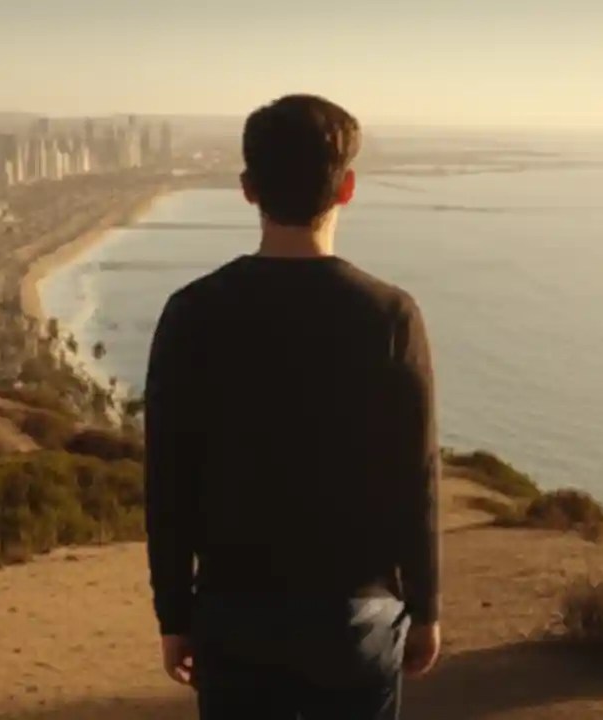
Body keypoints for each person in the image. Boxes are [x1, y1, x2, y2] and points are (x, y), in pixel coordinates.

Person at [144, 94, 441, 719]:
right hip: (358, 619)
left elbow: (168, 480)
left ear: (248, 188)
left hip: (233, 617)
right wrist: (427, 607)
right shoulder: (390, 315)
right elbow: (417, 478)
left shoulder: (192, 311)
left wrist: (174, 613)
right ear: (348, 188)